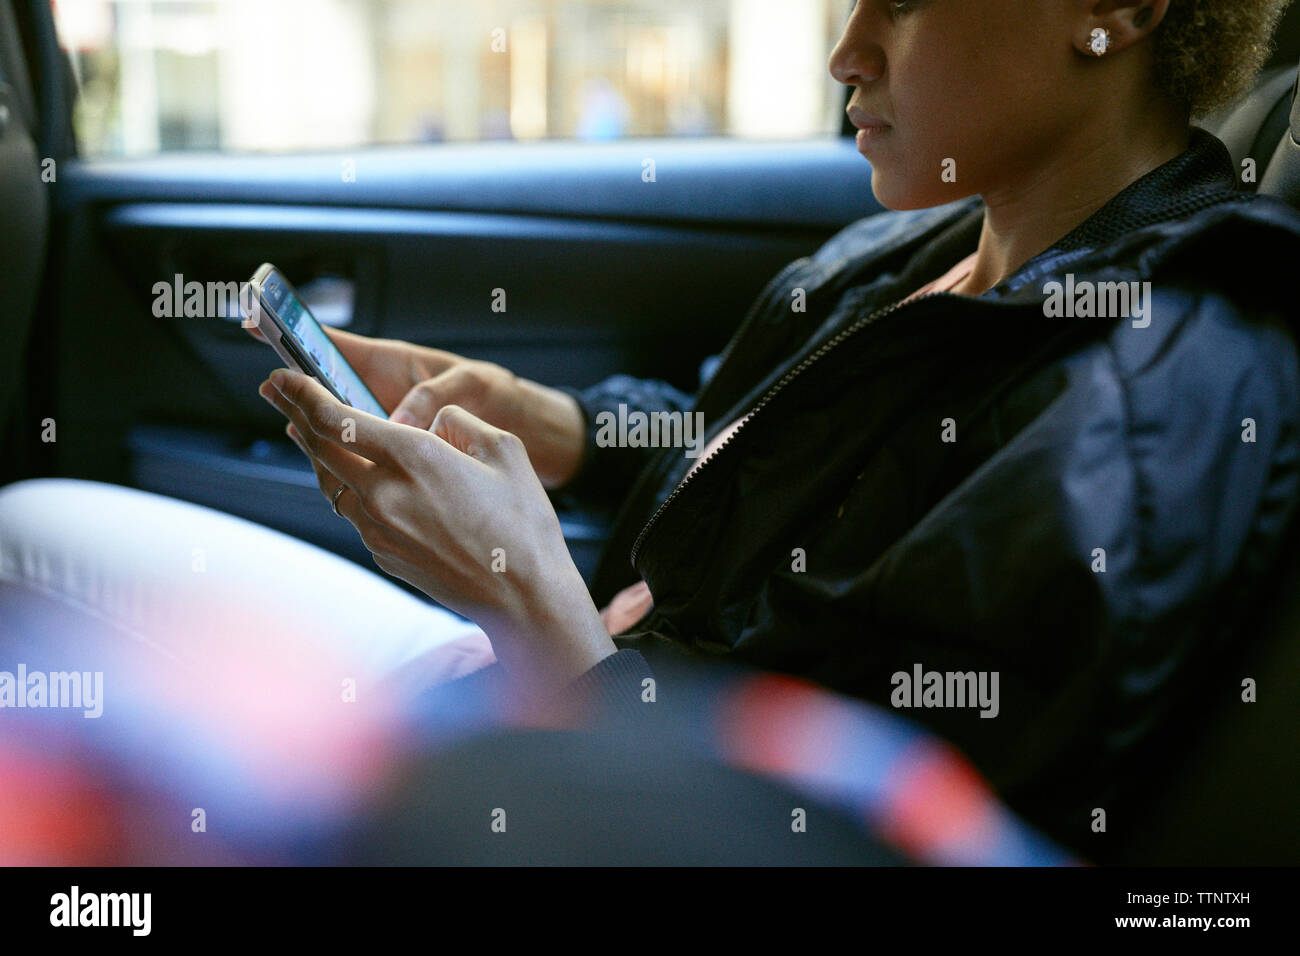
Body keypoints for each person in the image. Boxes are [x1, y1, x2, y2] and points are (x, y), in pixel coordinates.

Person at [5, 1, 1299, 855]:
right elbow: (759, 455)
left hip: (610, 794)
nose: (847, 50)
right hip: (578, 697)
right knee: (32, 526)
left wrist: (532, 607)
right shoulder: (937, 241)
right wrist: (560, 427)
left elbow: (846, 834)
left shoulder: (1136, 411)